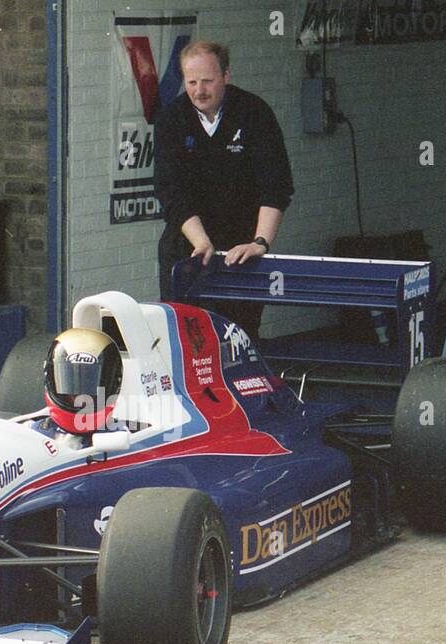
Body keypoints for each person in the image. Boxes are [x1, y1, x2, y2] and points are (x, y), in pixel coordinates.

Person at [154, 41, 293, 336]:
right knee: (186, 340)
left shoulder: (255, 113)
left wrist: (260, 243)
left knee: (239, 339)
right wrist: (201, 242)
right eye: (191, 82)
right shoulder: (171, 119)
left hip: (241, 251)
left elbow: (276, 184)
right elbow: (169, 189)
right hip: (188, 248)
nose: (199, 90)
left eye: (207, 81)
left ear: (226, 76)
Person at [43, 328, 123, 436]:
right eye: (70, 381)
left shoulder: (124, 438)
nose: (79, 395)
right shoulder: (33, 432)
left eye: (89, 380)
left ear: (114, 383)